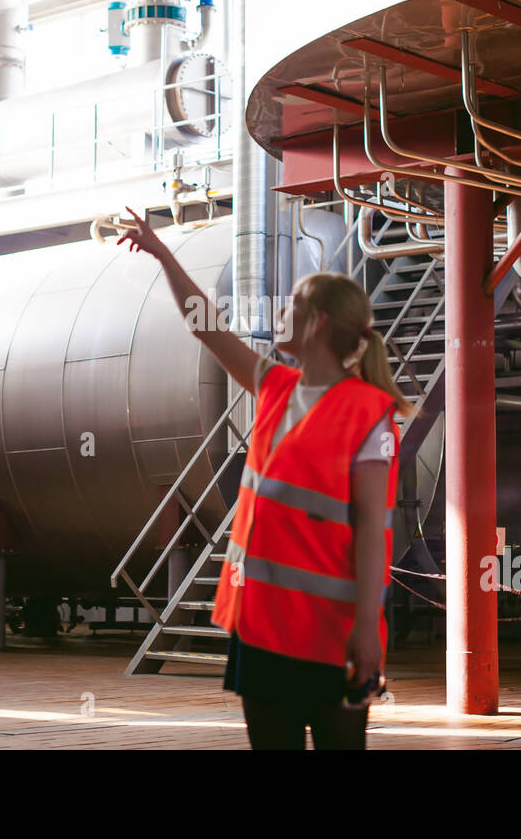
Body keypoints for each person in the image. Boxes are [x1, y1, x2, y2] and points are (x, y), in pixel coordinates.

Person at [118, 207, 411, 750]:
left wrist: (367, 629)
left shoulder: (369, 412)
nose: (281, 309)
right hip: (262, 630)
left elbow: (373, 529)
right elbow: (205, 326)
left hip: (333, 634)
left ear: (319, 322)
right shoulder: (275, 386)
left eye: (293, 303)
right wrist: (162, 253)